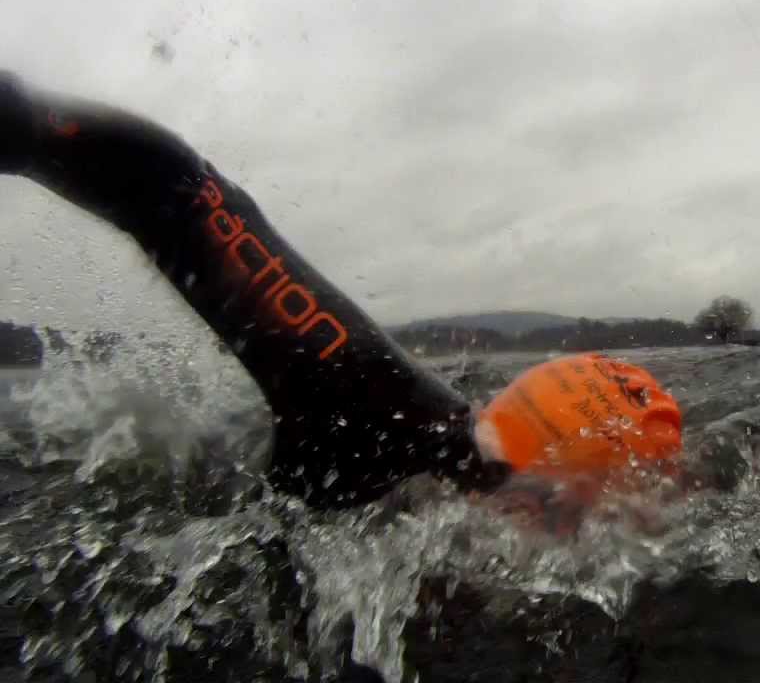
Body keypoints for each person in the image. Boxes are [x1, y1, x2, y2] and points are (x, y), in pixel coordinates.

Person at [0, 71, 682, 514]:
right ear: (549, 499)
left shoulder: (391, 435)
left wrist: (30, 127)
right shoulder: (383, 421)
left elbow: (166, 189)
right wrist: (26, 127)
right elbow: (168, 190)